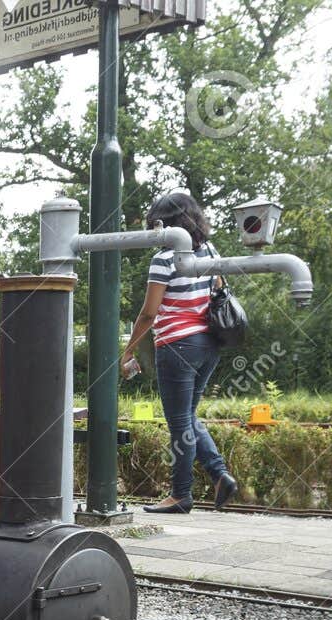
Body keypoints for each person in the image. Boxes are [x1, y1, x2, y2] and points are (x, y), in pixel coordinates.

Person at [122, 191, 238, 514]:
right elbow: (218, 291)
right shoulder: (210, 252)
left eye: (158, 223)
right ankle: (218, 475)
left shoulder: (164, 260)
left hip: (177, 347)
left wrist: (128, 352)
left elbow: (148, 314)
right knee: (188, 415)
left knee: (178, 424)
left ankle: (180, 495)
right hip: (209, 345)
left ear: (170, 224)